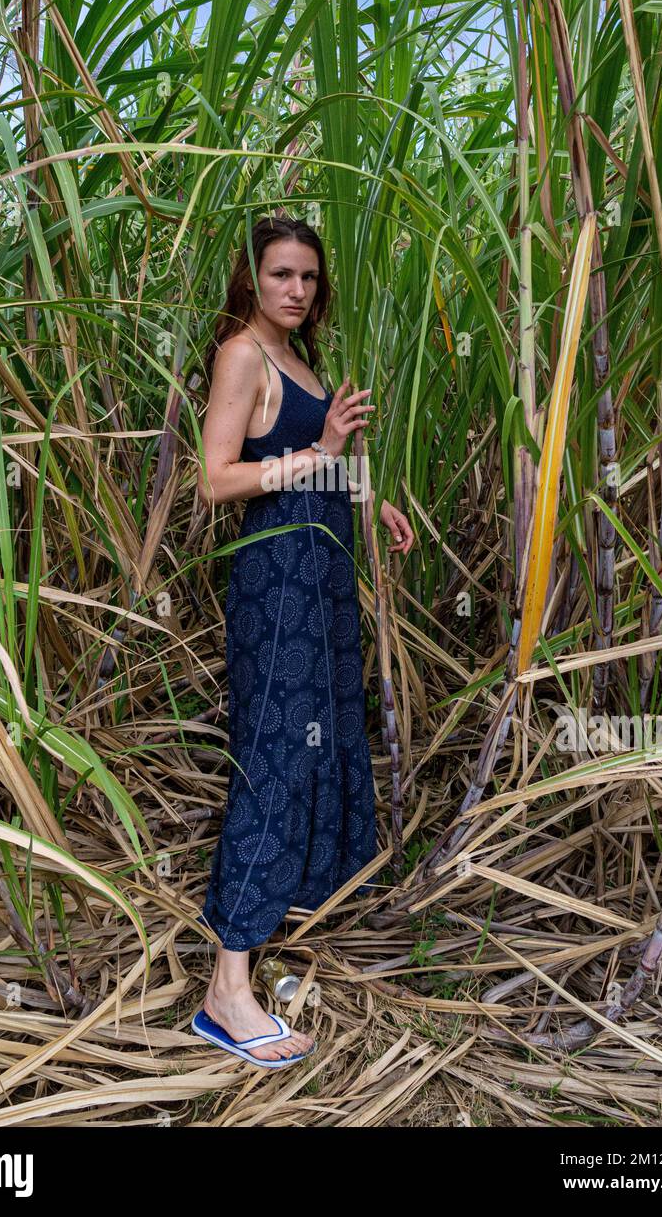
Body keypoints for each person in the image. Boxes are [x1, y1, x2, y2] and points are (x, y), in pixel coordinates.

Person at [194, 214, 414, 1064]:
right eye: (281, 274)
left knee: (317, 737)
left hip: (318, 576)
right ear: (252, 278)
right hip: (277, 583)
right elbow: (216, 478)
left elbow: (316, 456)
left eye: (309, 279)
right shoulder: (243, 353)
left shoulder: (297, 358)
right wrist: (319, 449)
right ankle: (226, 990)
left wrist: (366, 494)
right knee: (276, 756)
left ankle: (271, 926)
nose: (296, 289)